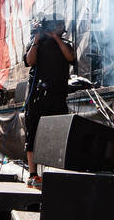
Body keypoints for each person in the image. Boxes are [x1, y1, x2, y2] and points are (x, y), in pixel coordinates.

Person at [23, 20, 75, 185]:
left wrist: (56, 39)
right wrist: (37, 40)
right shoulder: (35, 44)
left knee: (58, 134)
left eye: (57, 26)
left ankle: (54, 173)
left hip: (58, 95)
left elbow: (70, 57)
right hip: (38, 96)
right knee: (32, 134)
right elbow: (29, 62)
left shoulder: (65, 44)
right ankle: (33, 174)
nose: (54, 29)